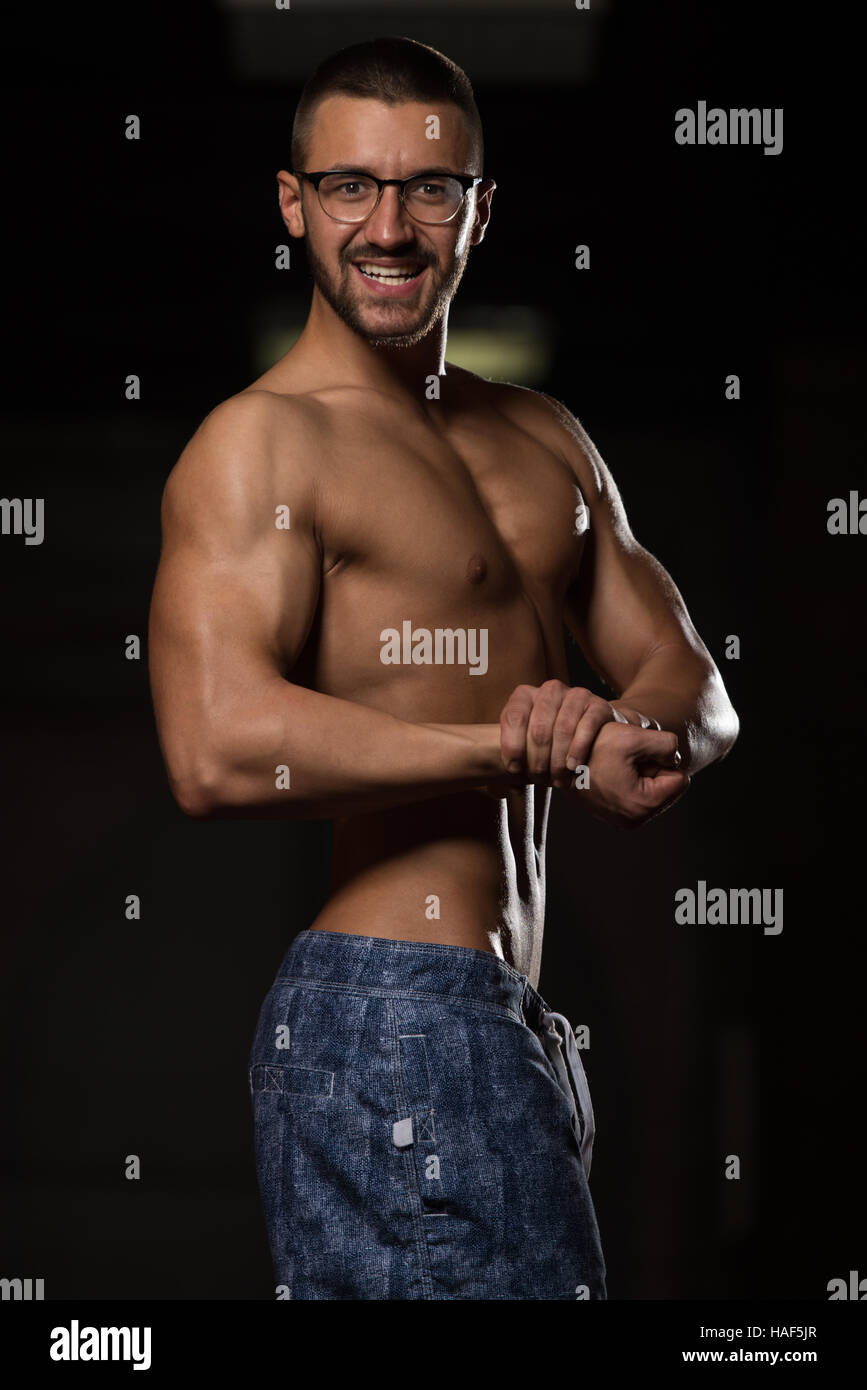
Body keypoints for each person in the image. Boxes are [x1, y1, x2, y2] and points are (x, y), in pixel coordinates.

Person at [148, 36, 739, 1300]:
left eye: (428, 187)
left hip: (511, 1017)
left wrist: (643, 734)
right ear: (293, 202)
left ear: (480, 210)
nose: (388, 226)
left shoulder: (542, 437)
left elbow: (692, 680)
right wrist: (507, 747)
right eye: (349, 185)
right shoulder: (260, 443)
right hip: (392, 1008)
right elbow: (212, 743)